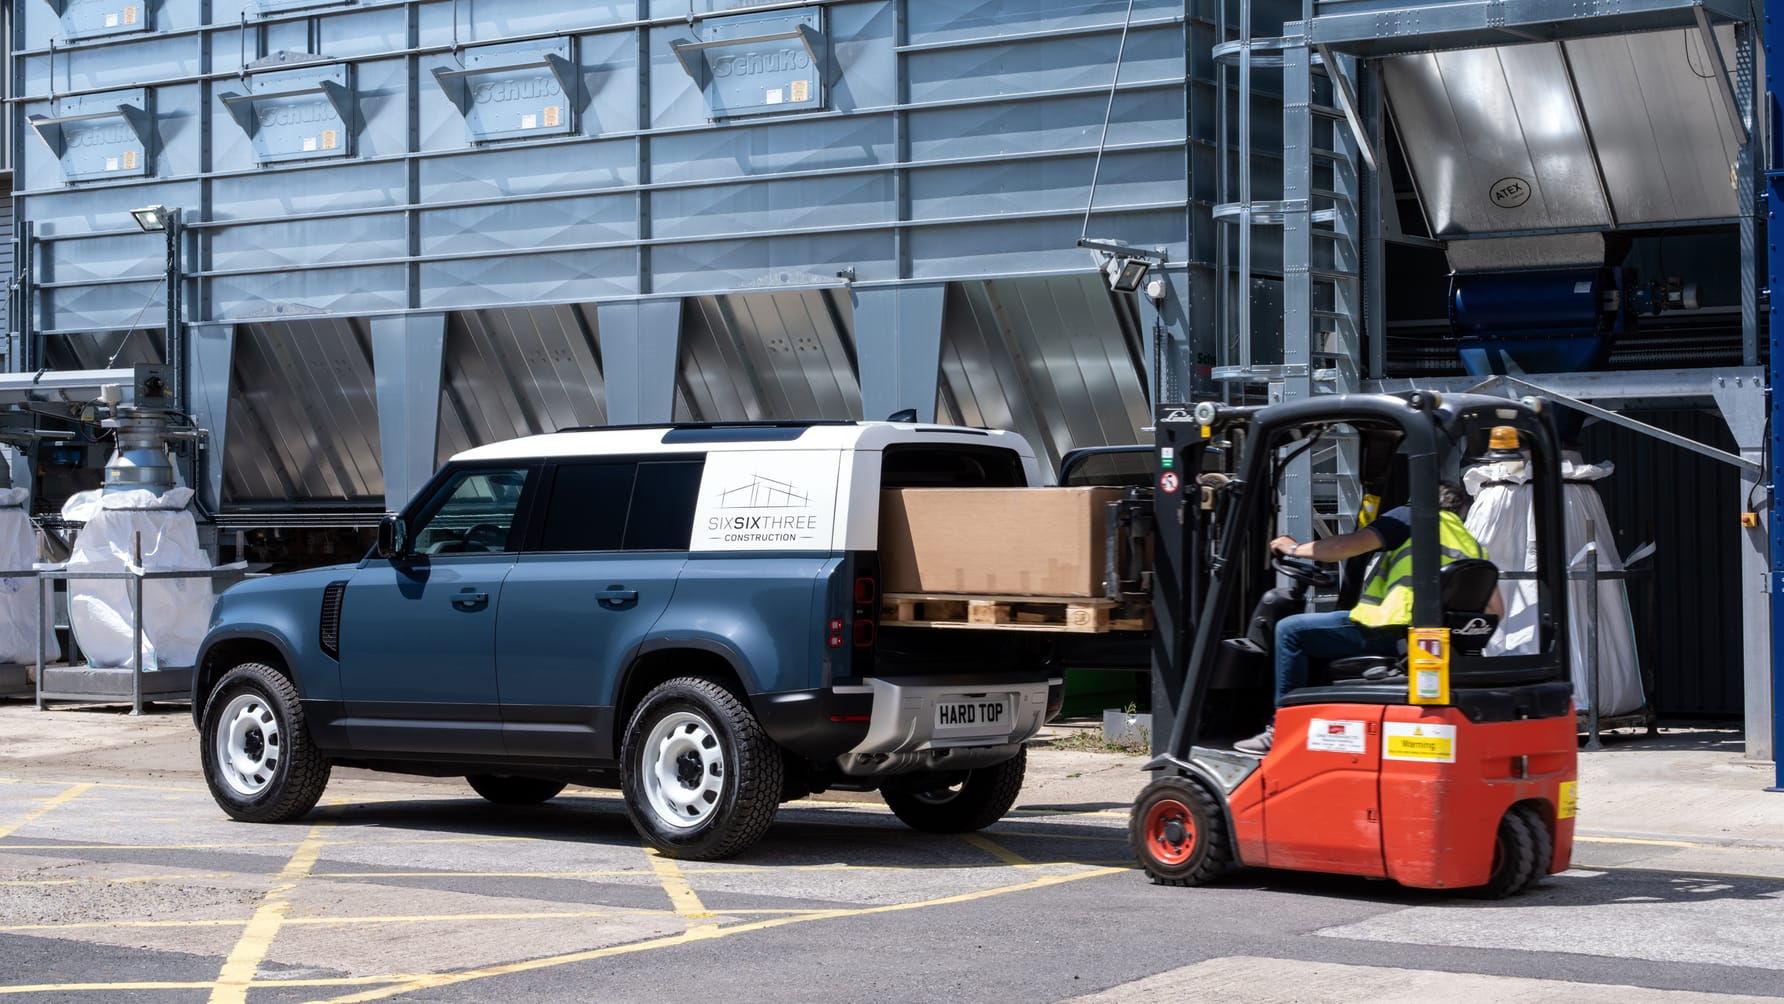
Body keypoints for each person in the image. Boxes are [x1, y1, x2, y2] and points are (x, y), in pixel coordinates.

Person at [1234, 482, 1500, 755]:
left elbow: (1347, 546)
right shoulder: (1471, 543)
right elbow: (1496, 610)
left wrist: (1293, 549)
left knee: (1291, 631)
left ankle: (1281, 731)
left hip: (1389, 629)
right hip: (1425, 644)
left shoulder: (1411, 516)